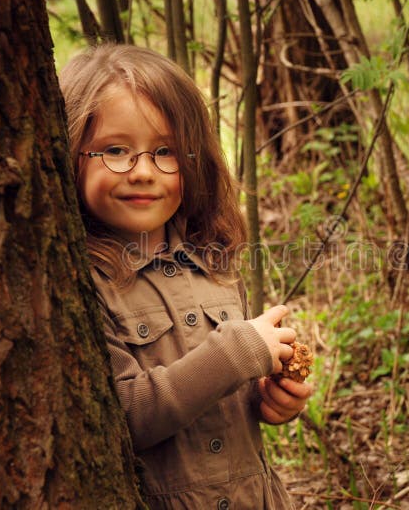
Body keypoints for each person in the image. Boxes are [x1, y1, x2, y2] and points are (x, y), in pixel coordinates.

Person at [59, 44, 313, 509]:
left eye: (165, 152)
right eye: (116, 150)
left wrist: (268, 399)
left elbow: (224, 391)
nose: (142, 172)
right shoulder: (81, 281)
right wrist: (235, 355)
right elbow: (120, 416)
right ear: (71, 151)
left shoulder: (211, 262)